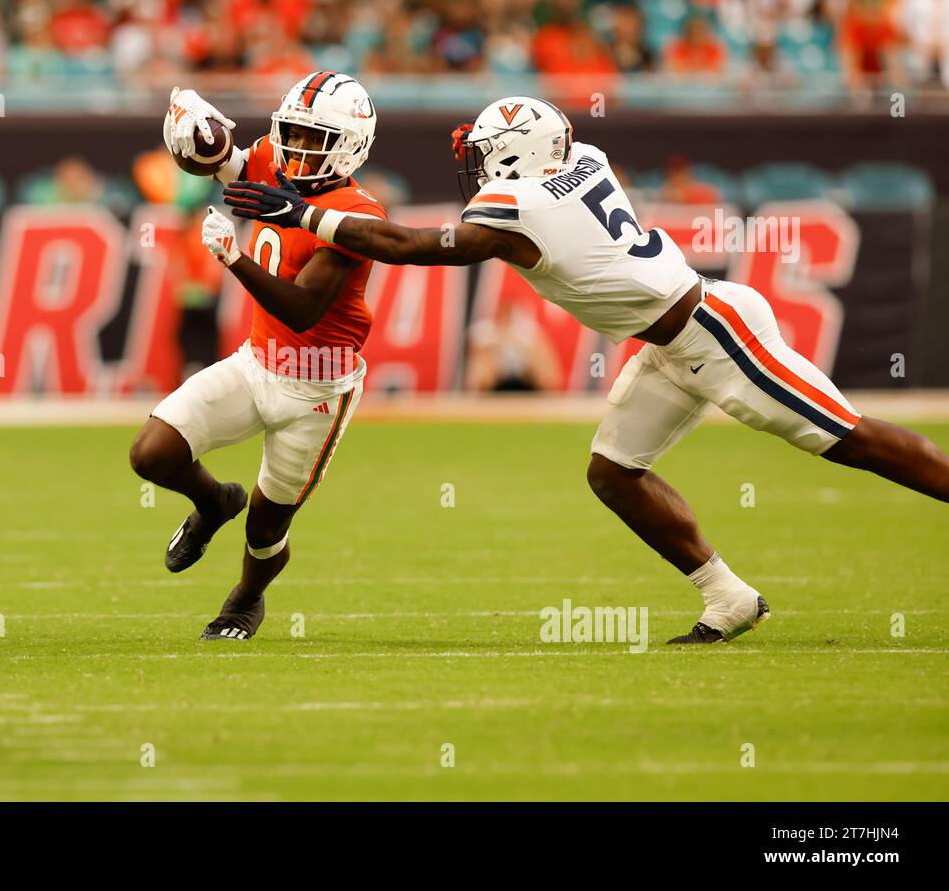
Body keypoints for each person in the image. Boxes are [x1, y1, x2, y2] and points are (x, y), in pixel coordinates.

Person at [224, 95, 949, 645]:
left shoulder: (524, 201)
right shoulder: (584, 159)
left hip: (714, 334)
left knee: (847, 438)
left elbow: (417, 245)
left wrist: (305, 214)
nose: (472, 164)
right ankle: (727, 597)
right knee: (613, 471)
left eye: (483, 153)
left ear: (516, 155)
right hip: (668, 344)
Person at [128, 73, 385, 641]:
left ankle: (246, 597)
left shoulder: (356, 212)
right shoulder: (279, 158)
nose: (295, 148)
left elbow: (304, 310)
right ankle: (214, 500)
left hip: (318, 390)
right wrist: (197, 137)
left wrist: (233, 259)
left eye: (312, 138)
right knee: (152, 453)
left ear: (349, 145)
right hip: (257, 362)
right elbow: (220, 166)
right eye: (290, 131)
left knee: (267, 529)